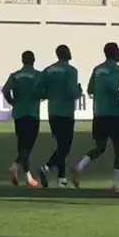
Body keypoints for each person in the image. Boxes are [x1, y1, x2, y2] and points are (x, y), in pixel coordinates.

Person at [74, 42, 119, 192]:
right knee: (118, 149)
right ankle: (116, 185)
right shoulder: (117, 68)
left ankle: (80, 165)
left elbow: (90, 89)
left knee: (100, 147)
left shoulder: (97, 69)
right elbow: (112, 87)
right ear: (115, 53)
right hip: (113, 114)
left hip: (98, 113)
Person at [39, 44, 81, 188]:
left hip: (52, 112)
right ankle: (54, 173)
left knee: (61, 145)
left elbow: (40, 90)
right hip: (66, 112)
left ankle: (58, 176)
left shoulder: (48, 70)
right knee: (65, 147)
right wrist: (78, 92)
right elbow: (71, 91)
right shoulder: (71, 71)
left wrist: (49, 95)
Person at [2, 50, 43, 187]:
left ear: (22, 60)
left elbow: (5, 90)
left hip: (19, 113)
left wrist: (12, 102)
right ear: (34, 60)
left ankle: (28, 176)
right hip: (32, 113)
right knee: (28, 145)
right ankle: (15, 166)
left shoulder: (15, 75)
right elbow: (42, 92)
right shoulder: (38, 75)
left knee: (22, 145)